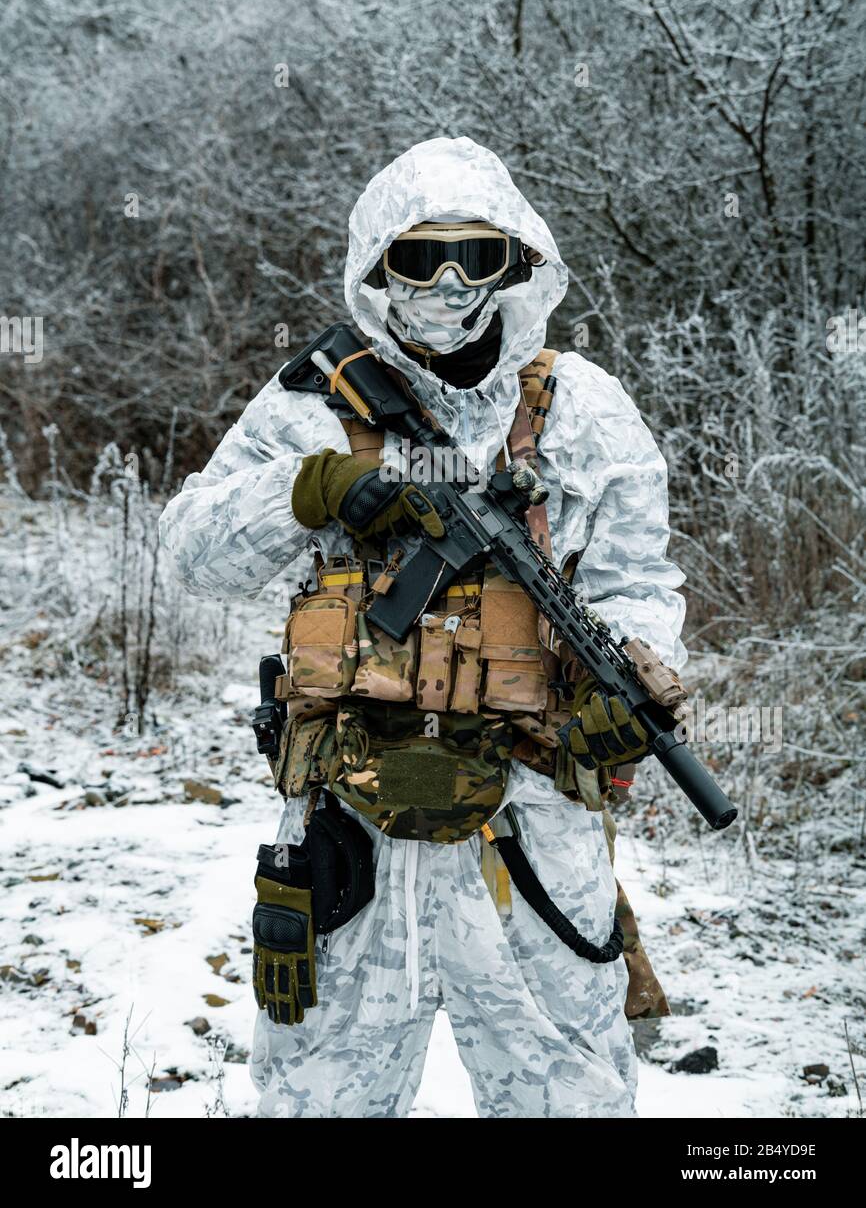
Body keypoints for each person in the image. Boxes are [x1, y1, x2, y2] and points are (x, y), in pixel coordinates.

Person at [160, 136, 686, 1118]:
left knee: (567, 1104)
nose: (448, 284)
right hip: (347, 830)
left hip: (531, 832)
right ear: (376, 267)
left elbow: (637, 581)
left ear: (516, 261)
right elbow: (186, 555)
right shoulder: (312, 401)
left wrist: (637, 679)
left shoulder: (582, 409)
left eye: (475, 256)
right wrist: (307, 489)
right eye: (419, 258)